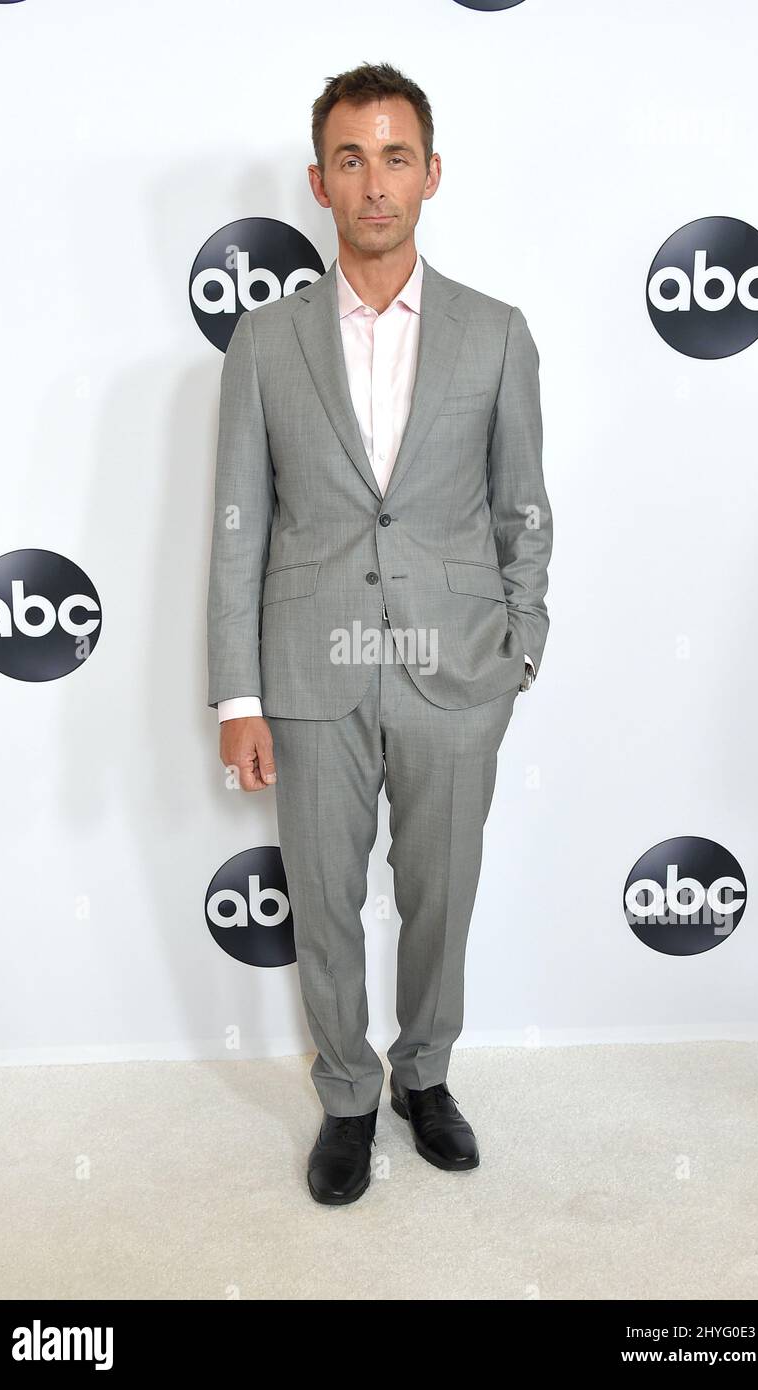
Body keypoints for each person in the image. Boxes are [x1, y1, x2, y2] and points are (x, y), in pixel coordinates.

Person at [207, 61, 552, 1205]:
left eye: (395, 156)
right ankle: (348, 1093)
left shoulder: (497, 334)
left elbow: (522, 508)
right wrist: (236, 692)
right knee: (323, 889)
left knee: (440, 889)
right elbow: (238, 525)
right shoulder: (265, 343)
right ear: (318, 179)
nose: (373, 183)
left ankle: (425, 1073)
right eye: (350, 158)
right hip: (311, 669)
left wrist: (522, 644)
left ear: (432, 174)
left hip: (458, 670)